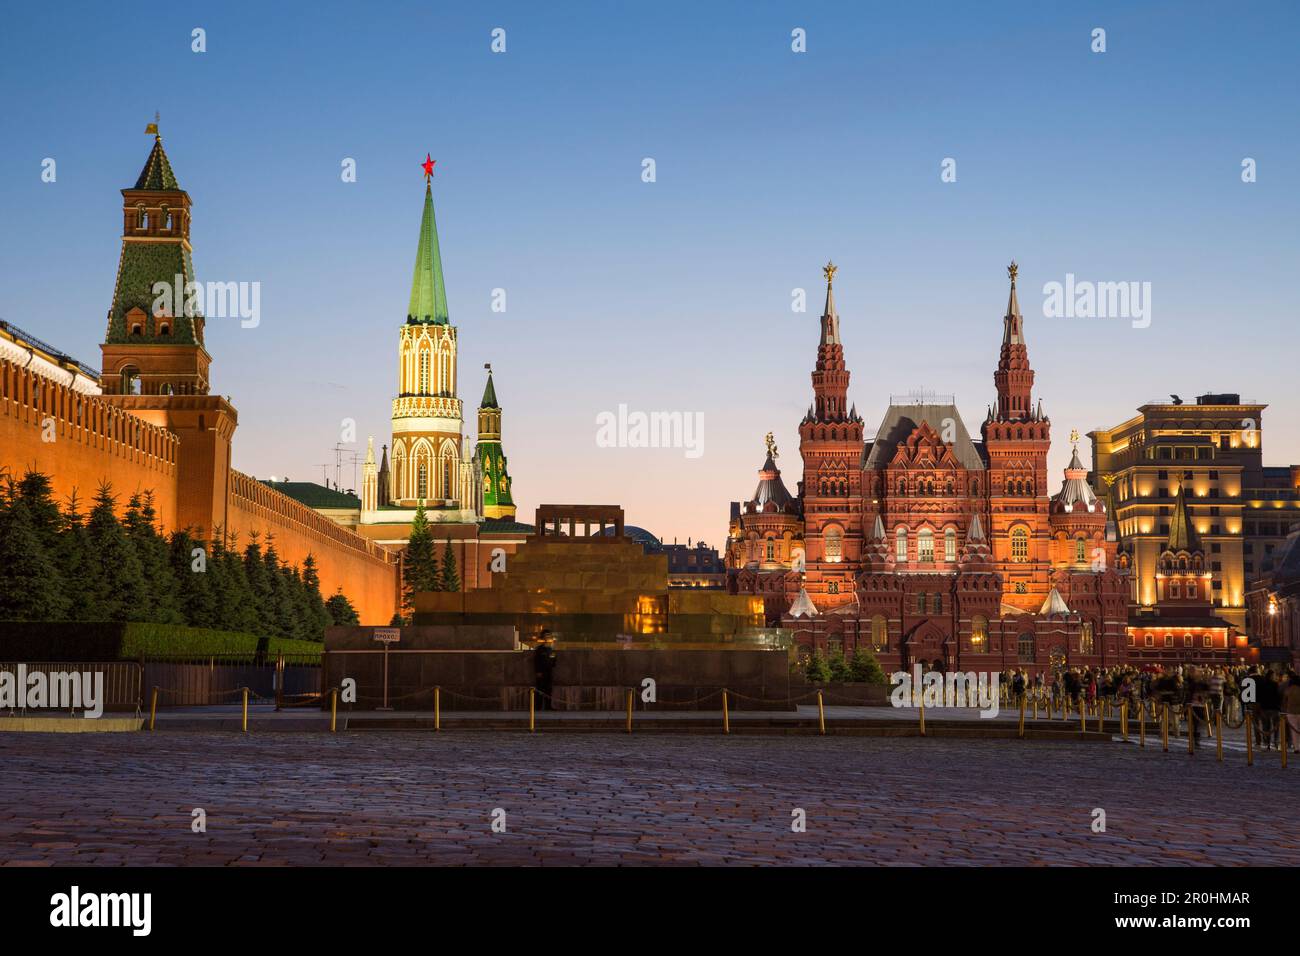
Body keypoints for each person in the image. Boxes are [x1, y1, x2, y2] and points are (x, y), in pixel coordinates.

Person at [1281, 670, 1300, 754]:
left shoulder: (1288, 690)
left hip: (1291, 712)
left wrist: (1284, 710)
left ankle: (1296, 748)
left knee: (1294, 731)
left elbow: (1284, 701)